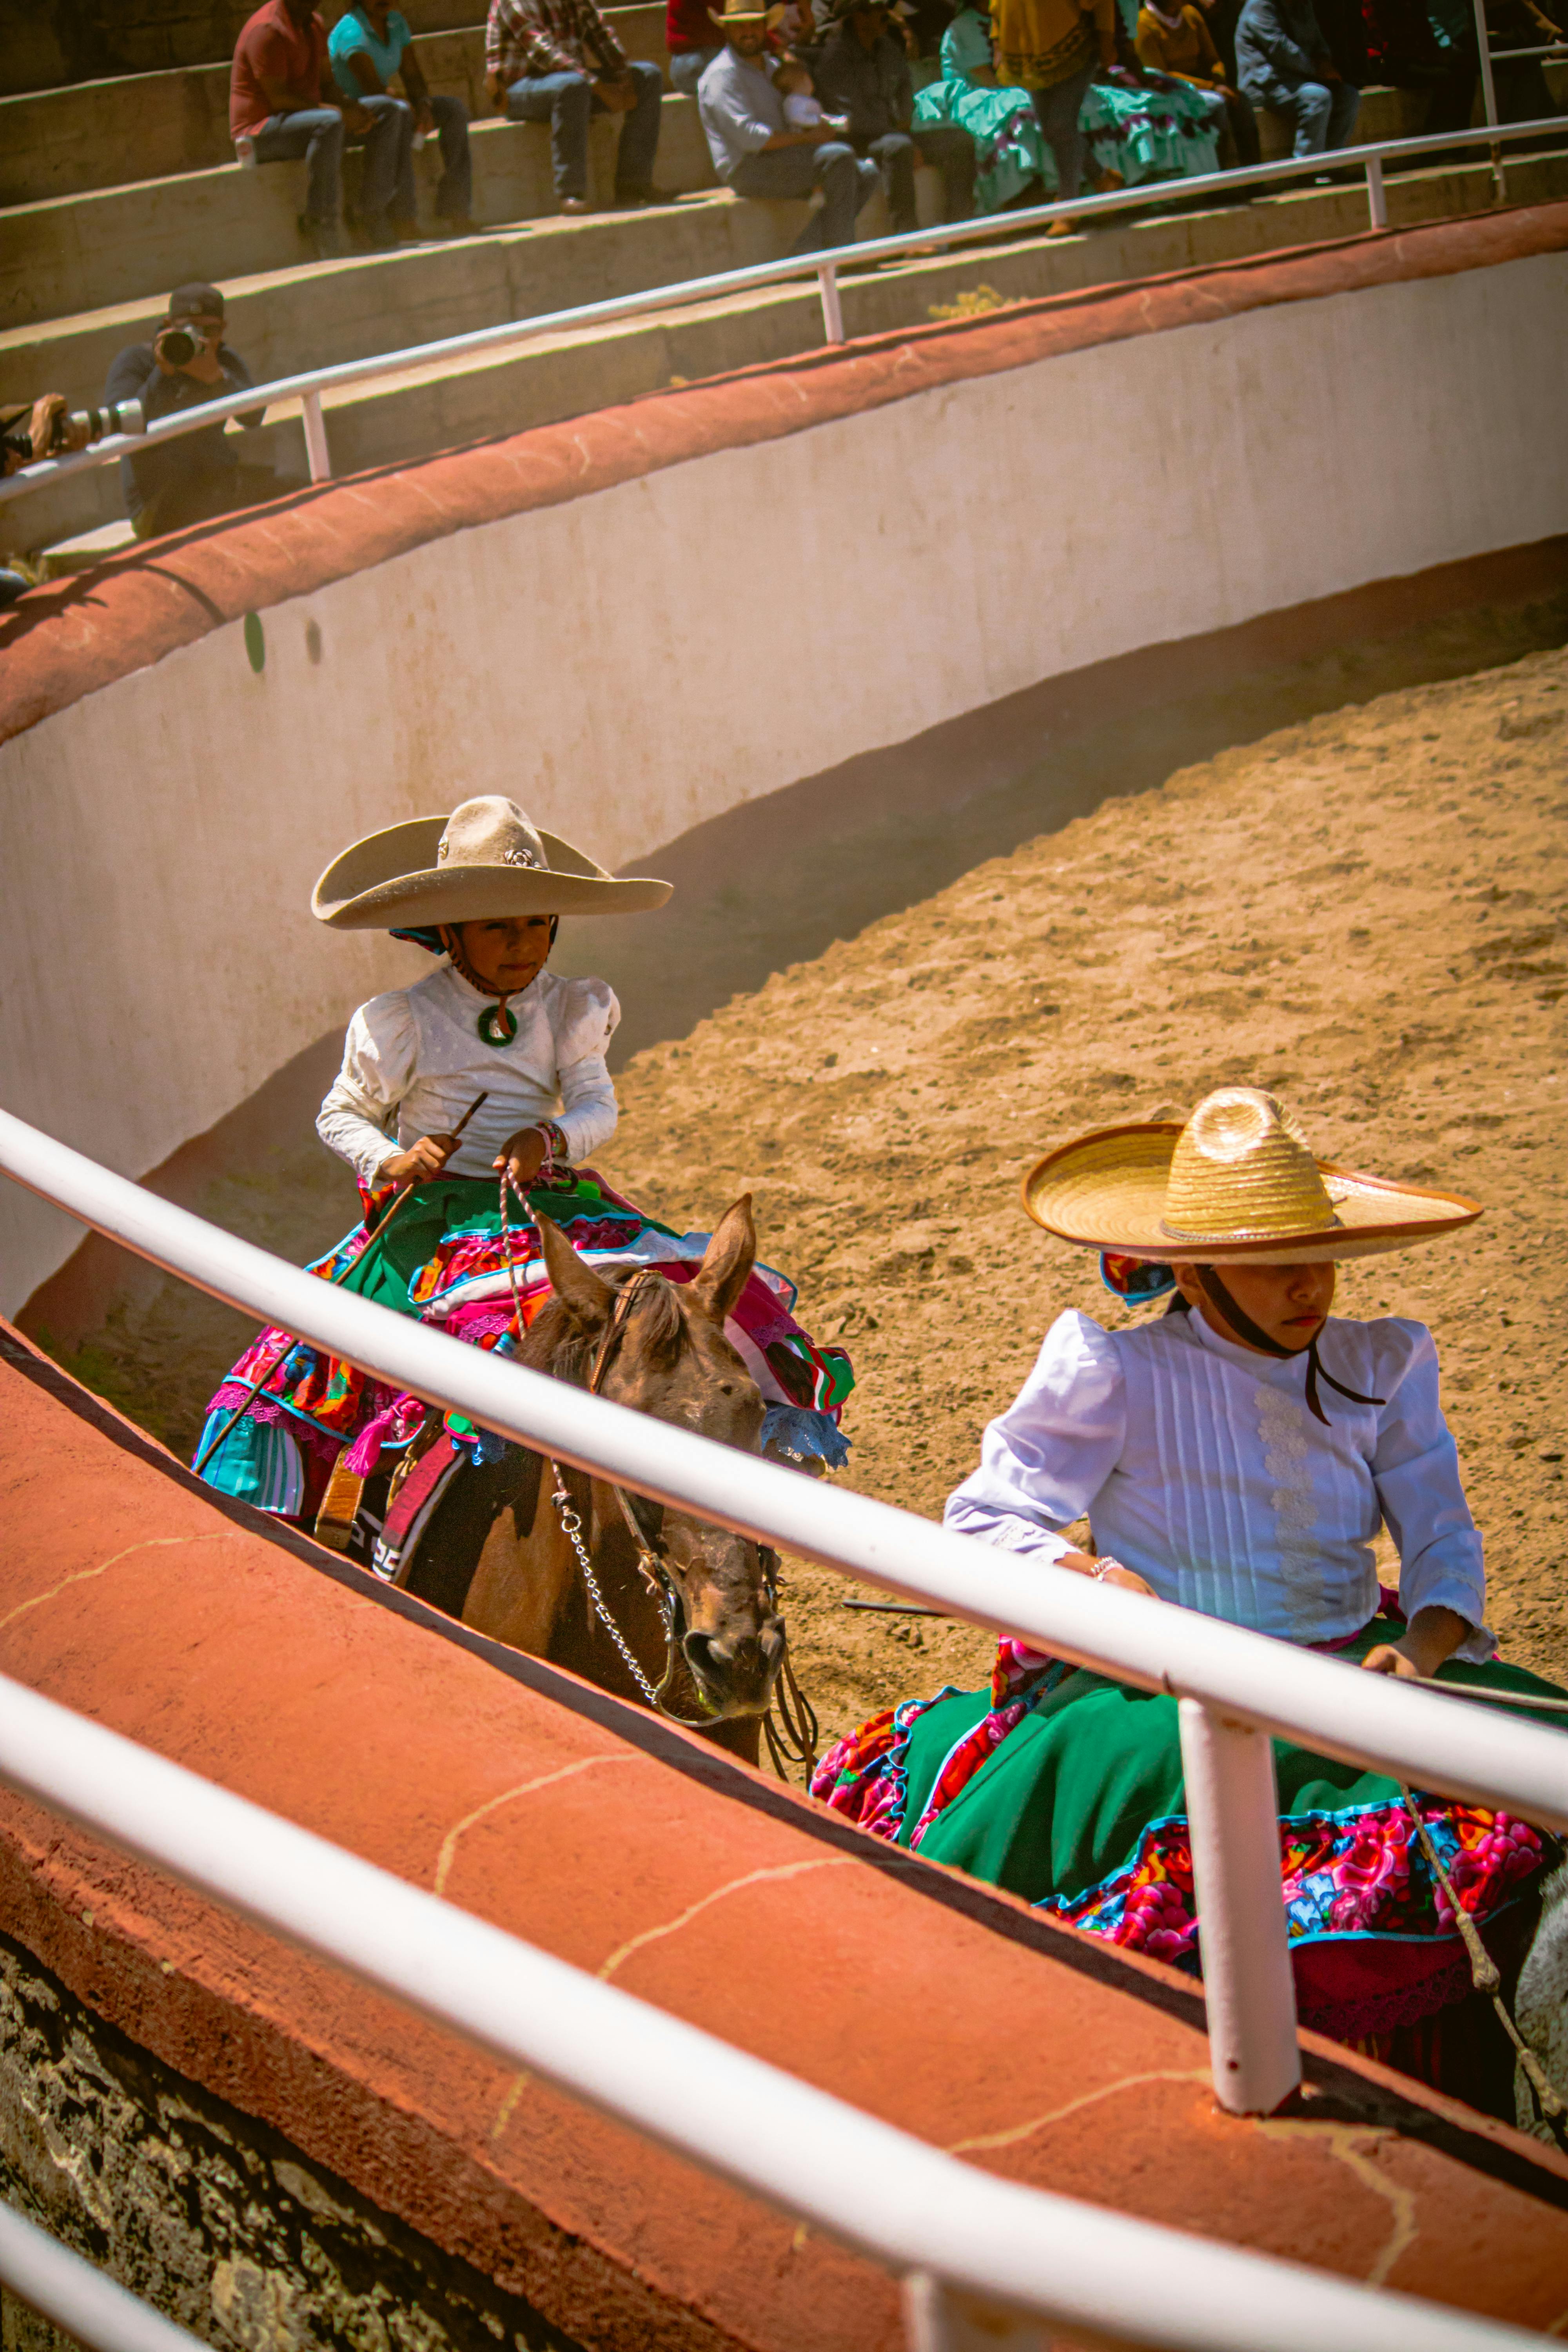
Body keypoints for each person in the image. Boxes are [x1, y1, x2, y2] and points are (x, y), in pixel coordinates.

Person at [813, 1086, 1568, 2089]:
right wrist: (1095, 1578)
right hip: (1167, 1683)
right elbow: (986, 1517)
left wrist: (1422, 1649)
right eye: (1270, 1264)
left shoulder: (1380, 1362)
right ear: (1198, 1273)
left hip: (1362, 1661)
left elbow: (1440, 1534)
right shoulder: (1117, 1370)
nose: (1310, 1285)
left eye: (1319, 1254)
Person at [194, 797, 855, 1535]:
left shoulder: (574, 1007)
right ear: (450, 932)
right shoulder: (402, 1020)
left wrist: (552, 1138)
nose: (522, 943)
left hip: (551, 1202)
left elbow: (598, 1106)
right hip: (436, 1218)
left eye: (537, 922)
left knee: (681, 1307)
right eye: (497, 926)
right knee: (311, 1357)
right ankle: (367, 1517)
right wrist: (394, 1159)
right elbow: (339, 1113)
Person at [102, 286, 294, 542]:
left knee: (299, 495)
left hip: (219, 484)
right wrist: (164, 374)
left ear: (223, 329)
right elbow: (120, 425)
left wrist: (218, 378)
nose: (198, 339)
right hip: (160, 502)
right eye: (188, 329)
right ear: (168, 325)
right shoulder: (138, 362)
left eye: (209, 331)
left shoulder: (222, 361)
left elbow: (254, 417)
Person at [230, 0, 410, 256]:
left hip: (309, 119)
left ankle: (370, 211)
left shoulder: (314, 24)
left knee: (387, 111)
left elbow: (327, 83)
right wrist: (335, 112)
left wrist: (349, 106)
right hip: (261, 131)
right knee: (329, 122)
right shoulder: (267, 30)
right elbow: (278, 98)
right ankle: (321, 222)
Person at [698, 0, 879, 250]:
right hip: (747, 167)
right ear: (727, 31)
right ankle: (842, 255)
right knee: (837, 158)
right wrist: (809, 139)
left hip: (784, 157)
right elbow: (751, 138)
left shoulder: (772, 67)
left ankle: (806, 252)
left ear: (765, 28)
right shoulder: (722, 75)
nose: (748, 32)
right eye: (740, 27)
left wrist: (820, 128)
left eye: (754, 25)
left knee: (867, 173)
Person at [485, 0, 664, 212]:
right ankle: (570, 193)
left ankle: (634, 185)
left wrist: (624, 77)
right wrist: (600, 88)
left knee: (648, 76)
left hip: (574, 83)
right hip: (518, 90)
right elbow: (544, 53)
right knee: (572, 86)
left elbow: (601, 35)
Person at [814, 0, 978, 232]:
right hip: (857, 141)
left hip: (894, 133)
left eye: (884, 8)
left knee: (959, 141)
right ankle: (907, 234)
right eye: (877, 10)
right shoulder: (836, 58)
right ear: (858, 16)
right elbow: (854, 120)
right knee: (898, 147)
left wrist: (905, 127)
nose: (885, 15)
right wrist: (903, 136)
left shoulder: (887, 48)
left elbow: (904, 95)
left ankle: (963, 225)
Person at [328, 0, 478, 236]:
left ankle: (457, 208)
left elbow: (412, 74)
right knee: (401, 113)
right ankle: (402, 216)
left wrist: (424, 106)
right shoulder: (352, 33)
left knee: (453, 110)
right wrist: (409, 105)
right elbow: (372, 88)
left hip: (389, 105)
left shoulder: (396, 23)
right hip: (357, 112)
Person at [912, 2, 1049, 210]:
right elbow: (987, 77)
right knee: (1021, 106)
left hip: (1009, 89)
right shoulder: (963, 27)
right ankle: (1017, 192)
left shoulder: (1008, 16)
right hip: (975, 96)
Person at [989, 0, 1116, 223]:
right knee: (1051, 131)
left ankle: (1068, 207)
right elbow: (998, 8)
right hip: (1030, 57)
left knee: (1060, 126)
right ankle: (1103, 179)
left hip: (1075, 48)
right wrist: (999, 44)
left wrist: (1107, 40)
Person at [1135, 0, 1260, 161]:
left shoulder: (1191, 14)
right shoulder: (1143, 24)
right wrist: (1211, 87)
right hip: (1169, 90)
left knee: (1241, 102)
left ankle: (1253, 177)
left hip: (1204, 86)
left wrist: (1220, 81)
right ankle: (1219, 176)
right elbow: (1161, 74)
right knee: (1216, 104)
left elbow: (1213, 59)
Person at [1235, 0, 1359, 157]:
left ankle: (1332, 165)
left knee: (1349, 95)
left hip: (1301, 79)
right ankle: (1307, 170)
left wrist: (1324, 61)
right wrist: (1316, 70)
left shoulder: (1302, 4)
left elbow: (1317, 40)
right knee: (1317, 97)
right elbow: (1280, 48)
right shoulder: (1260, 6)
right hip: (1265, 84)